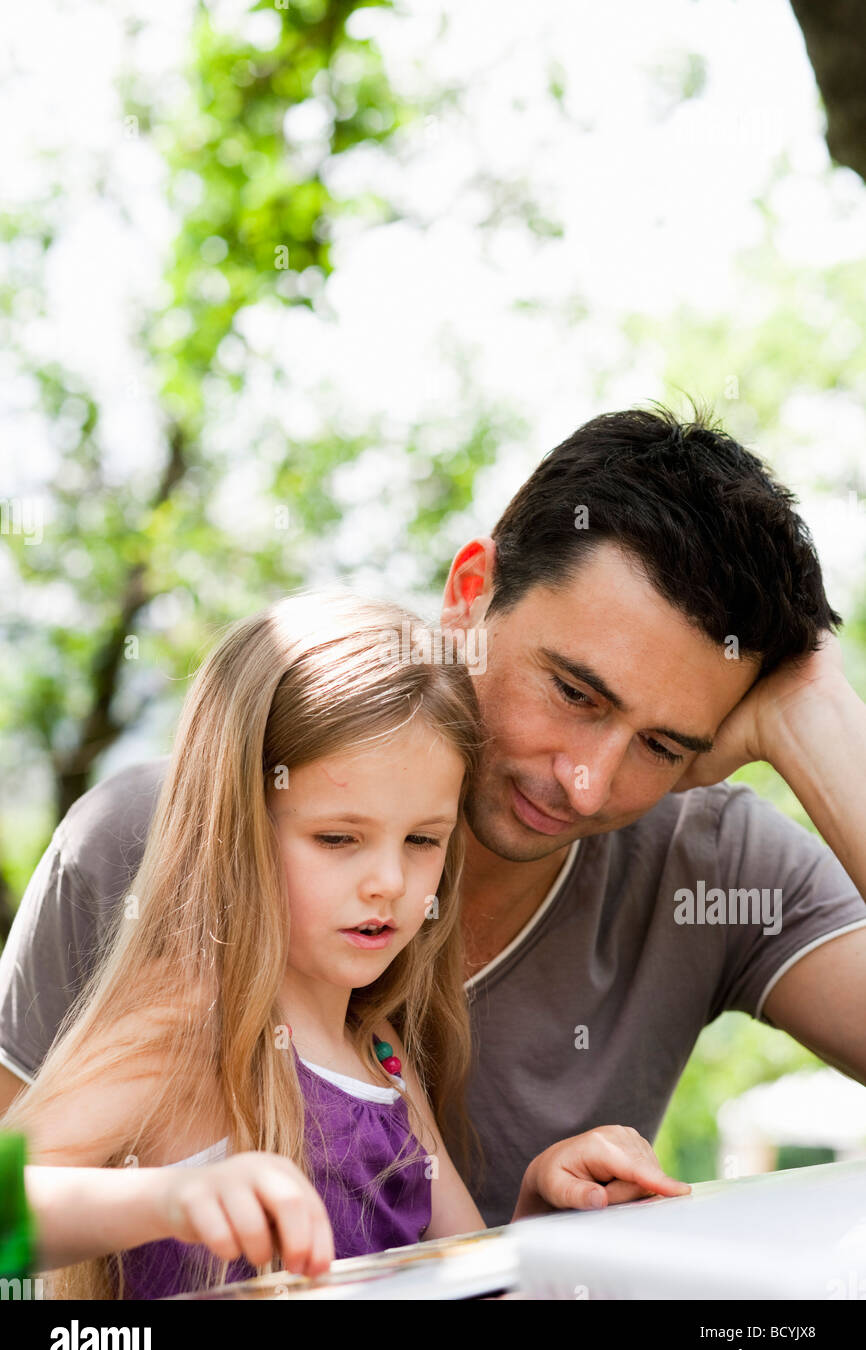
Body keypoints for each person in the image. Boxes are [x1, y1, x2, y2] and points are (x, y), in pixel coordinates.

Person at [2, 406, 865, 1228]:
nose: (588, 785)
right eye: (573, 692)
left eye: (665, 746)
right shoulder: (144, 844)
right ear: (472, 592)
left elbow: (458, 1261)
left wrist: (821, 723)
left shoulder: (712, 867)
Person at [2, 591, 688, 1298]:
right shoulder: (186, 1026)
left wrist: (538, 1218)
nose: (388, 882)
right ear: (238, 825)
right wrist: (166, 1203)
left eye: (423, 841)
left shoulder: (383, 1057)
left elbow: (463, 1279)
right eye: (338, 838)